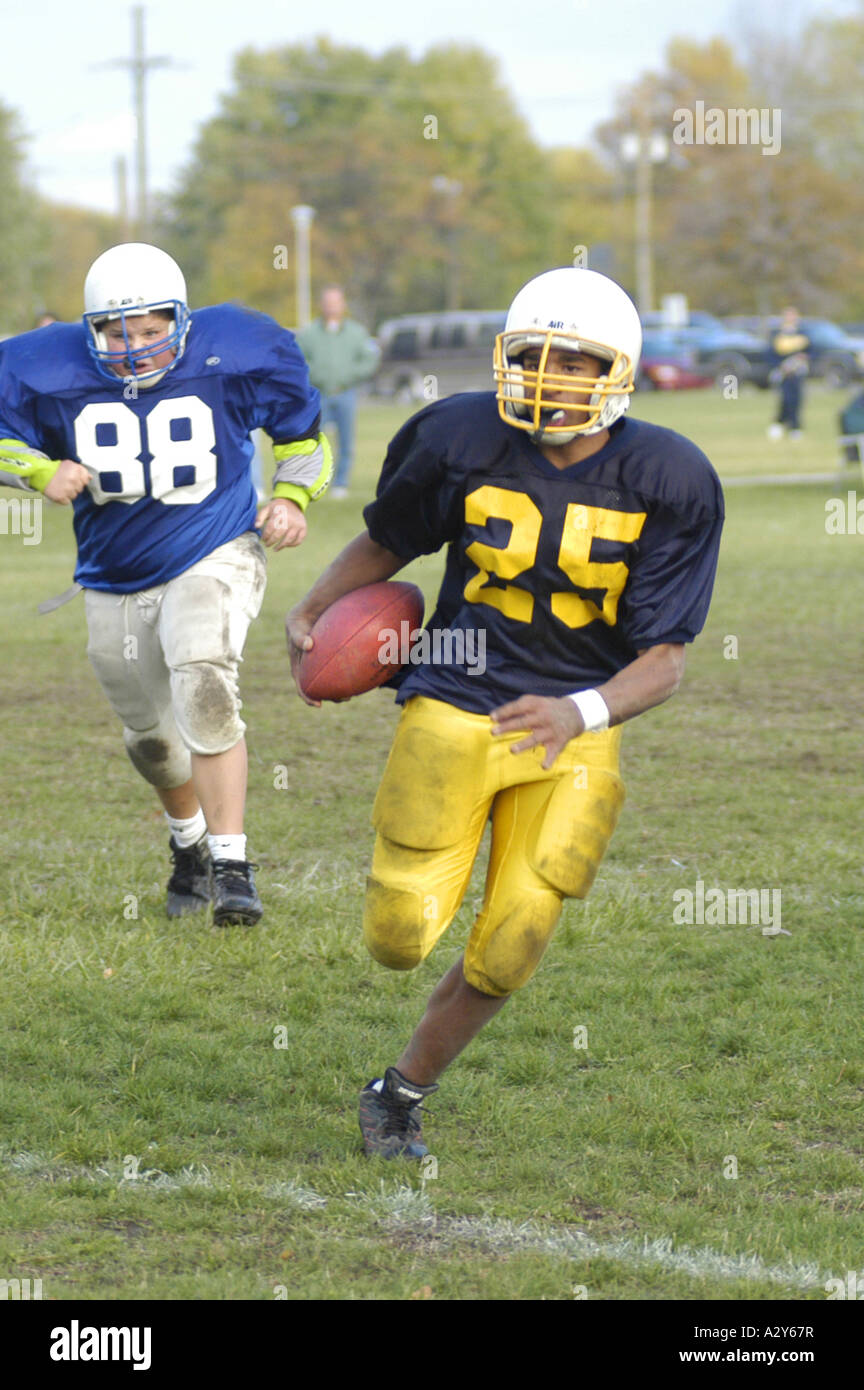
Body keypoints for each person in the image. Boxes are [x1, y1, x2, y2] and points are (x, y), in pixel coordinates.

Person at [286, 267, 725, 1158]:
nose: (549, 376)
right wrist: (314, 609)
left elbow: (667, 660)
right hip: (455, 701)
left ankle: (398, 1096)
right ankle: (400, 1047)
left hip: (574, 730)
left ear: (619, 370)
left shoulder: (670, 475)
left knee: (513, 941)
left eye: (574, 360)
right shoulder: (457, 437)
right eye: (534, 355)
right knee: (401, 934)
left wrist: (579, 712)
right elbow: (391, 538)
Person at [0, 242, 331, 926]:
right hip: (113, 572)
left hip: (217, 546)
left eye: (151, 329)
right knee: (150, 738)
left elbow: (303, 439)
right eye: (116, 331)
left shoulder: (238, 347)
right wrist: (37, 472)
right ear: (88, 327)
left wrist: (294, 499)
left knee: (203, 674)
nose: (134, 346)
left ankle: (235, 869)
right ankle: (190, 848)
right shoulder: (39, 365)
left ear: (181, 320)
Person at [295, 286, 380, 498]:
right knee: (314, 439)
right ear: (321, 305)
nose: (332, 308)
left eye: (336, 303)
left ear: (343, 305)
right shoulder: (309, 334)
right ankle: (315, 480)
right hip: (318, 395)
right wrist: (315, 376)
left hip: (346, 393)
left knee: (346, 440)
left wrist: (350, 376)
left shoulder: (356, 333)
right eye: (328, 303)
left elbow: (370, 359)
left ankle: (341, 483)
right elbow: (297, 360)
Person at [766, 307, 809, 441]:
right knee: (785, 399)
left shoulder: (802, 334)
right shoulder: (777, 335)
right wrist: (781, 366)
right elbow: (770, 354)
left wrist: (803, 358)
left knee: (797, 400)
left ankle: (795, 427)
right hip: (783, 373)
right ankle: (779, 423)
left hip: (798, 372)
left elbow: (810, 351)